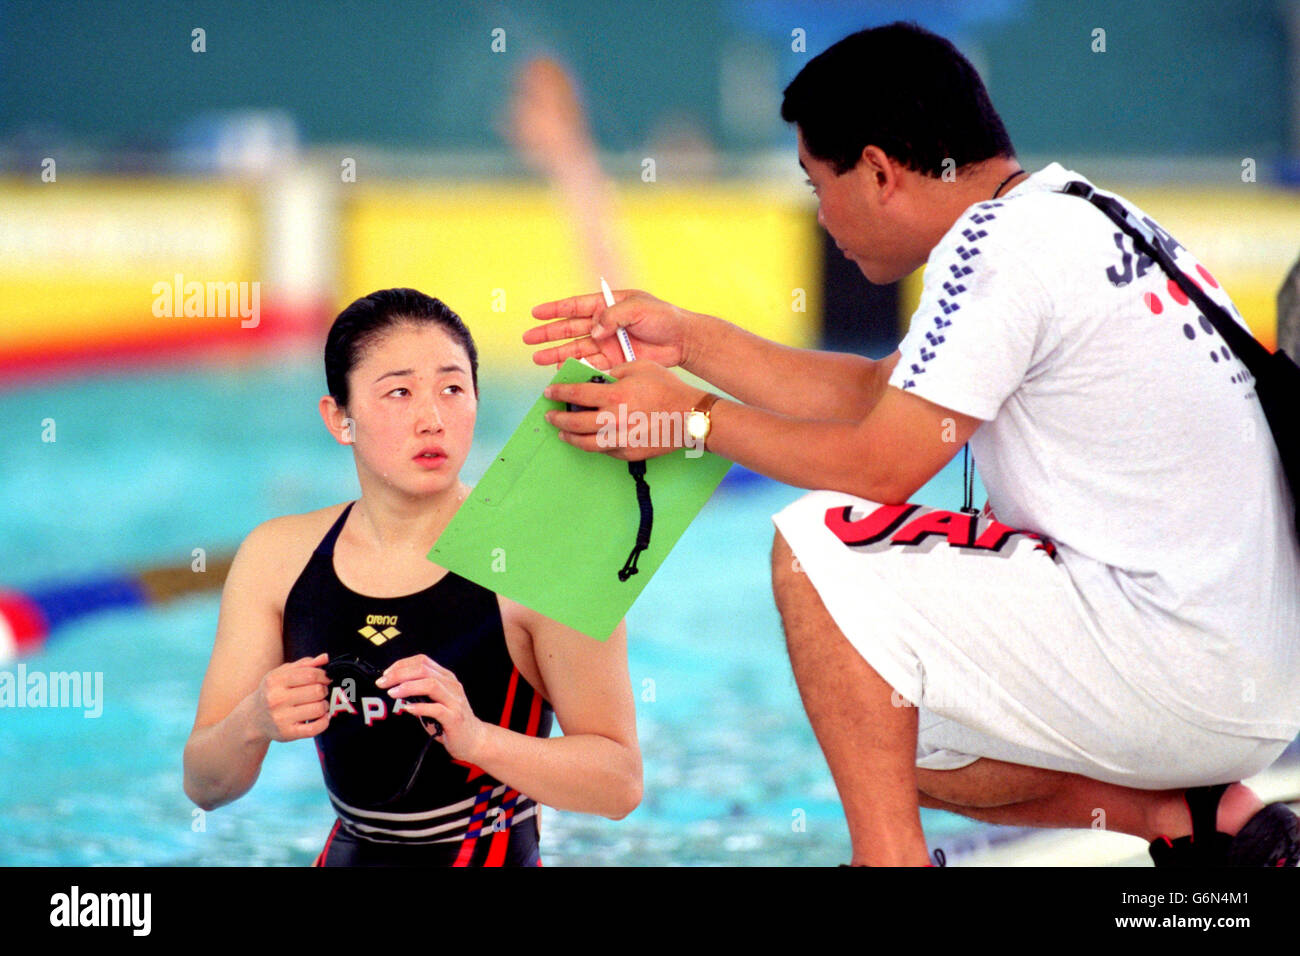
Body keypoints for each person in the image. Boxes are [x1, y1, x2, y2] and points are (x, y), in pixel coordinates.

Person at [523, 21, 1300, 867]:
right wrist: (692, 339)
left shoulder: (996, 247)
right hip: (1247, 674)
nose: (823, 218)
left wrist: (690, 421)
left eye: (819, 186)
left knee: (816, 548)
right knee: (877, 719)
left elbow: (883, 467)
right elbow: (879, 396)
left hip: (1175, 657)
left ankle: (885, 862)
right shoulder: (1073, 216)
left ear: (880, 171)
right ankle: (1188, 819)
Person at [184, 288, 641, 866]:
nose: (432, 419)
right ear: (339, 418)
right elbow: (205, 785)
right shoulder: (277, 558)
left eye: (453, 389)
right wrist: (252, 722)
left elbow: (619, 783)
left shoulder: (542, 559)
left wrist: (478, 740)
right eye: (399, 392)